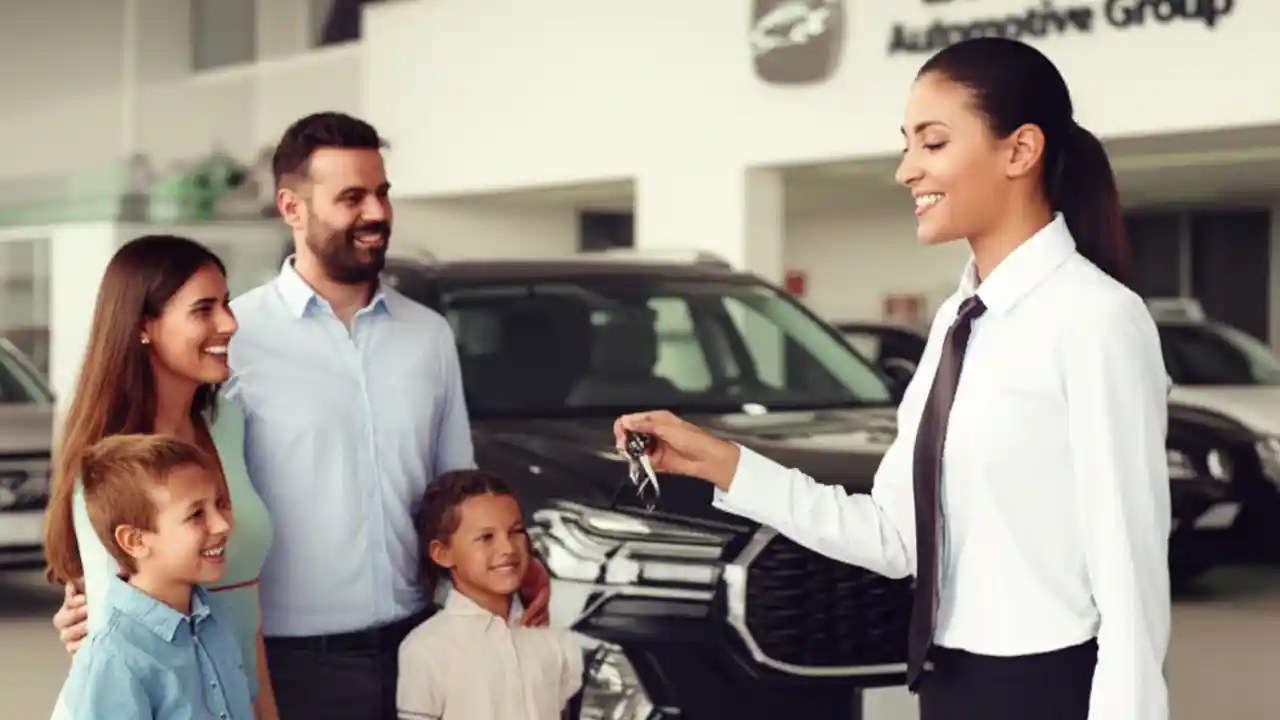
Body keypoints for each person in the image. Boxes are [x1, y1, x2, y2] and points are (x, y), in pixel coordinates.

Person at [614, 37, 1170, 720]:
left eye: (933, 143)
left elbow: (1132, 574)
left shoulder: (1095, 319)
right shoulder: (958, 322)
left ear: (1020, 151)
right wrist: (725, 463)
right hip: (951, 680)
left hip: (1050, 687)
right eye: (906, 145)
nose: (907, 170)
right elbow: (893, 537)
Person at [218, 111, 551, 719]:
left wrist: (512, 558)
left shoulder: (428, 335)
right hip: (291, 660)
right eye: (352, 198)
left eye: (382, 193)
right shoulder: (236, 338)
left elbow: (456, 489)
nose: (376, 213)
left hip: (425, 642)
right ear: (292, 208)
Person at [45, 235, 277, 718]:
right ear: (144, 326)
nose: (229, 323)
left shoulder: (228, 421)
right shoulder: (112, 461)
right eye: (203, 309)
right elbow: (112, 633)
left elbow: (245, 609)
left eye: (227, 303)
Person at [60, 434, 254, 719]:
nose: (221, 524)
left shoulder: (219, 617)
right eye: (196, 514)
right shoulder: (114, 656)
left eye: (220, 503)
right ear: (134, 541)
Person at [397, 470, 583, 720]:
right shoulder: (426, 649)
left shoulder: (551, 638)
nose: (507, 548)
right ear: (442, 553)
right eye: (486, 537)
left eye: (516, 531)